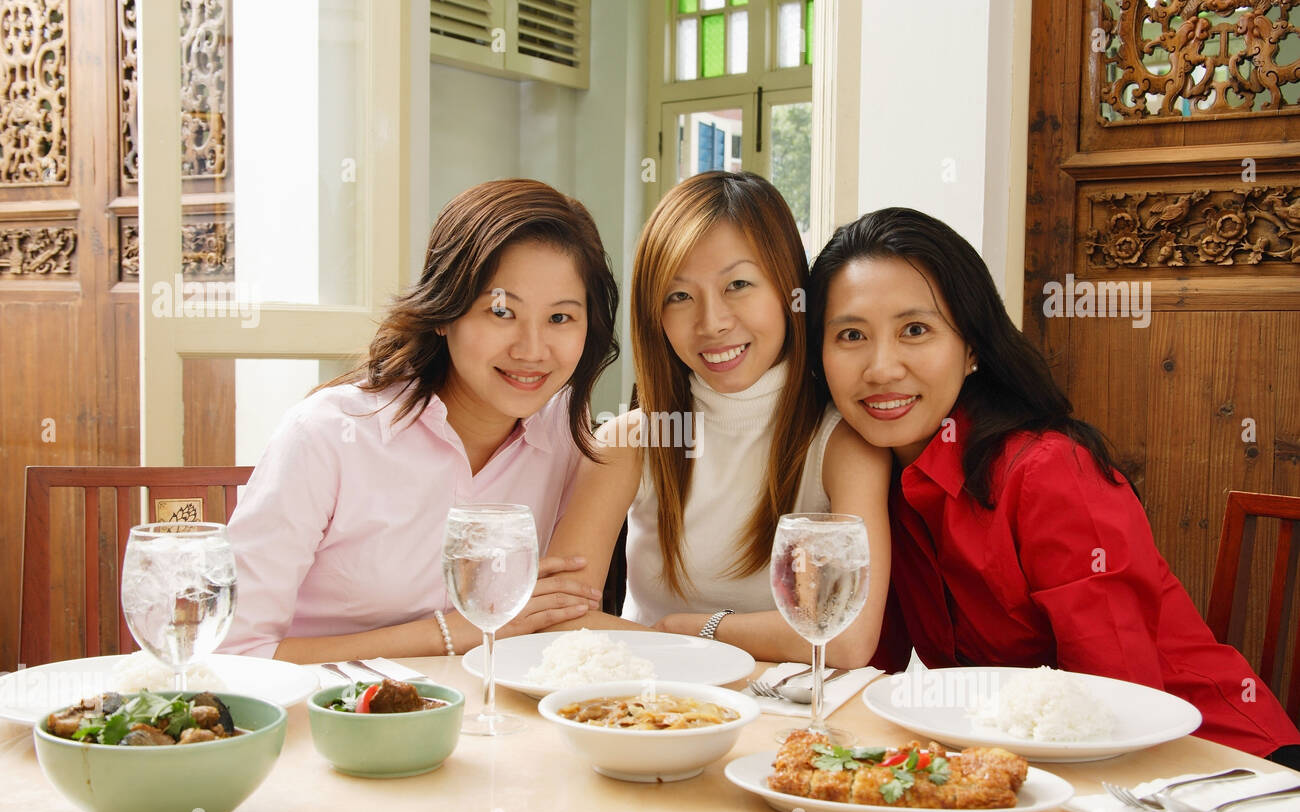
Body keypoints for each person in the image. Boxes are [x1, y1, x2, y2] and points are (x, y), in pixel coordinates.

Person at [810, 206, 1300, 763]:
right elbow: (876, 668)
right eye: (851, 335)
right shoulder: (876, 484)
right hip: (1040, 764)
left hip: (1217, 769)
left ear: (972, 346)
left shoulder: (1048, 470)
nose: (881, 367)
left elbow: (1119, 702)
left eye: (915, 330)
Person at [219, 179, 619, 663]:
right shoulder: (328, 435)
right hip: (325, 722)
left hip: (487, 725)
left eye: (560, 319)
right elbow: (232, 653)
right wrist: (448, 634)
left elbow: (556, 623)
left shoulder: (566, 436)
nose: (532, 350)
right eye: (501, 312)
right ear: (443, 312)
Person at [546, 171, 891, 668]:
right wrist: (692, 646)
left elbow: (846, 638)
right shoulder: (630, 440)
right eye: (679, 295)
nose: (712, 322)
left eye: (738, 284)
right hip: (646, 707)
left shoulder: (842, 444)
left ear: (789, 289)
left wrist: (689, 628)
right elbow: (558, 617)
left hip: (780, 716)